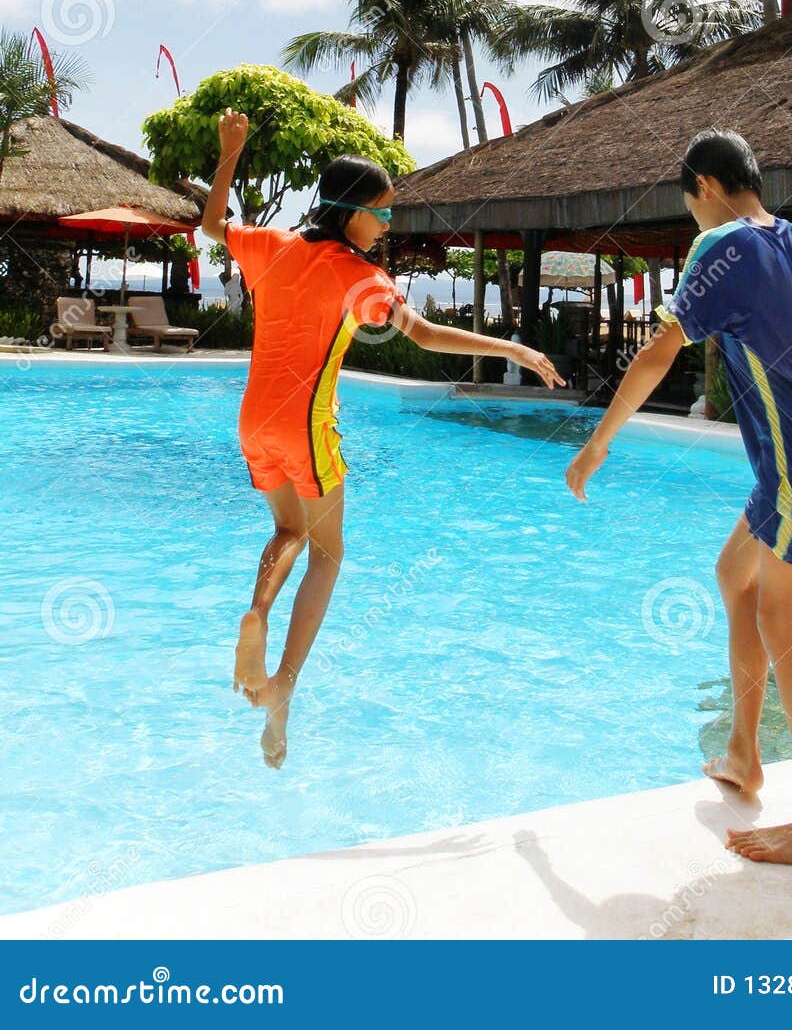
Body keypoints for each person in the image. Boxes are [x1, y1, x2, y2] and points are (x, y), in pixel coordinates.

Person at [564, 128, 792, 867]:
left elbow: (659, 351)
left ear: (703, 186)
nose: (693, 216)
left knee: (784, 620)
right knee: (735, 575)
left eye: (688, 202)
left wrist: (598, 443)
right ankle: (742, 752)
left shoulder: (718, 246)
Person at [202, 109, 563, 768]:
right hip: (305, 426)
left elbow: (211, 225)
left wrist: (231, 150)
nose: (388, 225)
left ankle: (258, 612)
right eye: (383, 212)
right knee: (328, 555)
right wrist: (510, 346)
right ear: (353, 213)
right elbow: (423, 335)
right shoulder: (360, 277)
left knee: (287, 531)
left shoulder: (273, 244)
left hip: (252, 419)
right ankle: (282, 683)